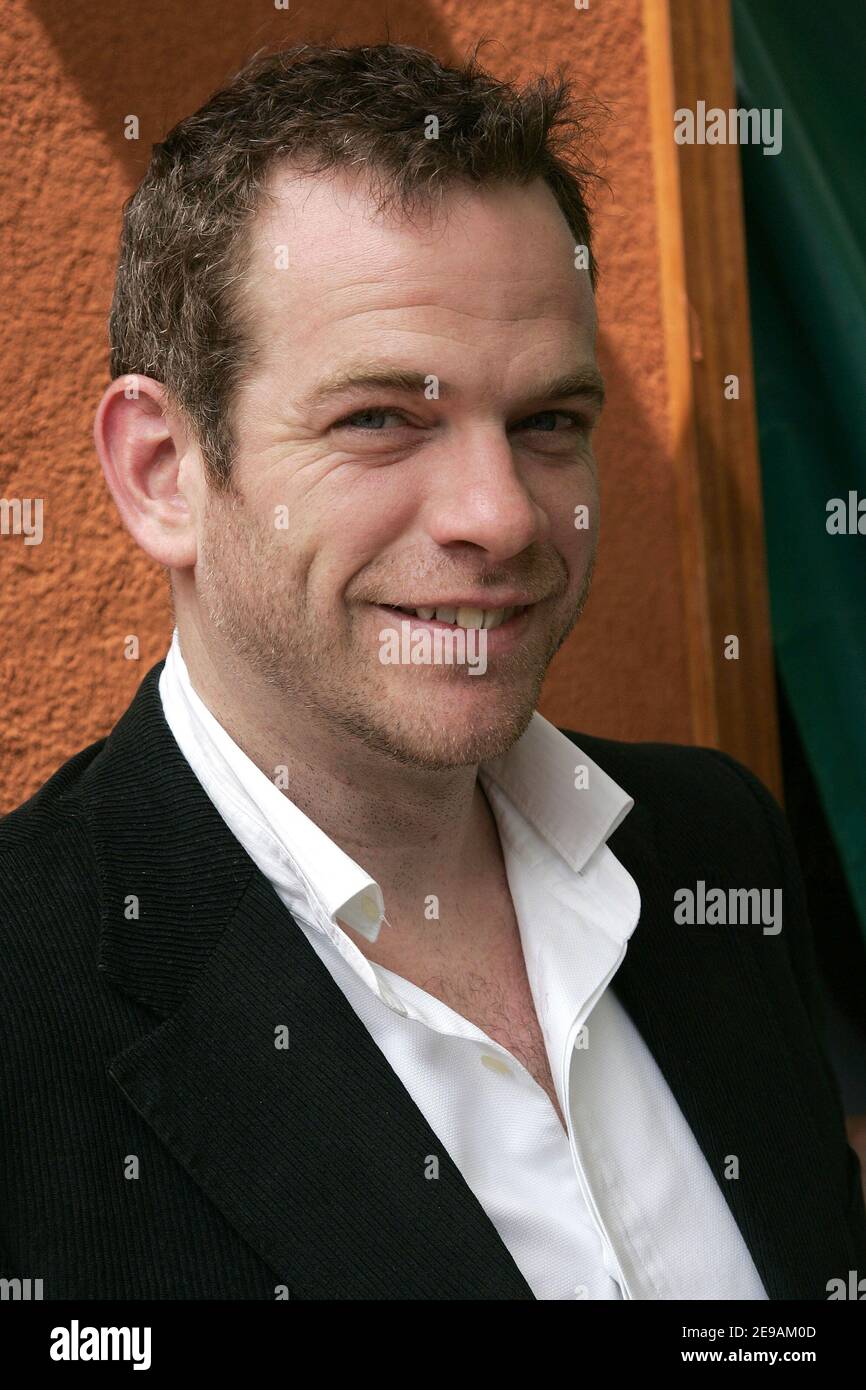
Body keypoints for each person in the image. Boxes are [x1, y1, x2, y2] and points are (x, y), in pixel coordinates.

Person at [2, 41, 864, 1301]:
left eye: (546, 423)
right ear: (162, 472)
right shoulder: (25, 1013)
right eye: (380, 420)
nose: (500, 516)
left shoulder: (713, 848)